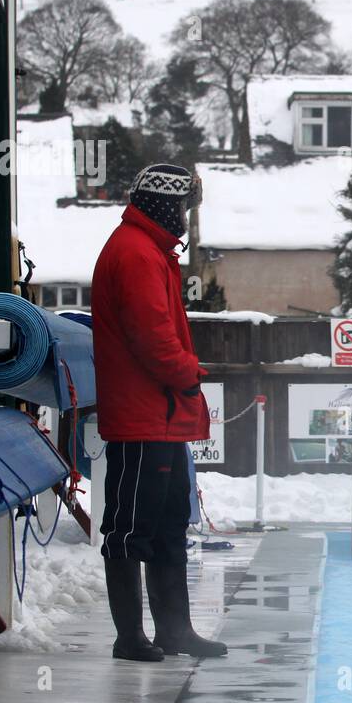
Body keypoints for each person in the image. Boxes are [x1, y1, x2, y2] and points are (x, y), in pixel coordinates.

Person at [92, 163, 227, 662]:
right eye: (184, 207)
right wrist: (189, 373)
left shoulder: (150, 250)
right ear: (166, 205)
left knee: (169, 527)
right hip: (142, 418)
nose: (186, 218)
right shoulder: (135, 253)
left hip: (160, 416)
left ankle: (175, 631)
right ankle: (129, 637)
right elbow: (152, 337)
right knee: (130, 530)